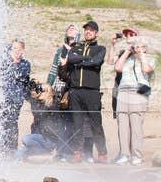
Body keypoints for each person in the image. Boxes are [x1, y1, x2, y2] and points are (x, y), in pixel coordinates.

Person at [58, 20, 107, 162]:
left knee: (96, 123)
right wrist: (86, 59)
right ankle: (77, 152)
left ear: (96, 33)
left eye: (91, 30)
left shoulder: (100, 49)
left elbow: (97, 61)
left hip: (92, 91)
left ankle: (102, 153)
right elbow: (71, 59)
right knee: (77, 123)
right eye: (86, 29)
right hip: (75, 91)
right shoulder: (76, 47)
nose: (88, 32)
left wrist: (81, 60)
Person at [111, 32, 153, 165]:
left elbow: (147, 70)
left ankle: (137, 155)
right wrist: (127, 52)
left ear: (145, 48)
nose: (137, 47)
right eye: (136, 46)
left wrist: (141, 55)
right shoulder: (127, 58)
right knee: (122, 125)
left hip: (138, 92)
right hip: (123, 91)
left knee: (136, 126)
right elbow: (117, 68)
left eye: (140, 46)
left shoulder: (149, 58)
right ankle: (124, 154)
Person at [0, 40, 33, 156]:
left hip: (16, 99)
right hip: (3, 98)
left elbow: (21, 77)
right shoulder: (4, 62)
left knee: (12, 123)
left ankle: (11, 149)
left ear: (23, 51)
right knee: (1, 122)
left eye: (19, 49)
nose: (16, 51)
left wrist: (14, 63)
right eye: (14, 49)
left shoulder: (25, 64)